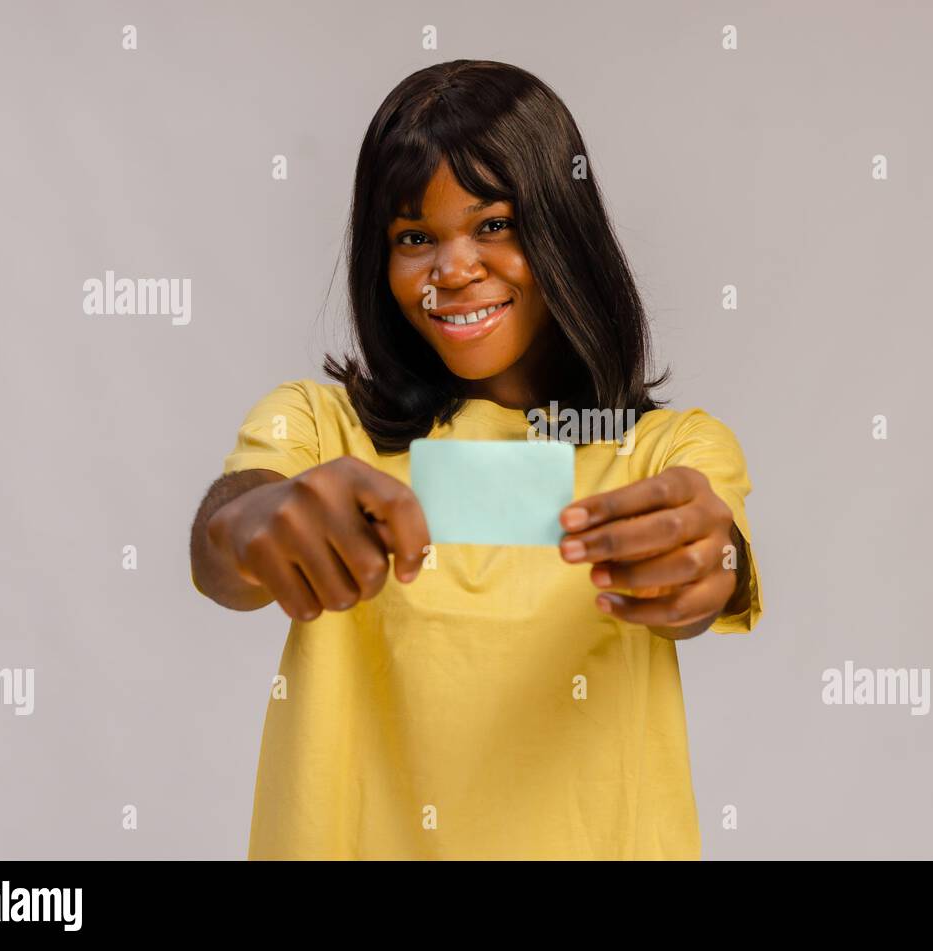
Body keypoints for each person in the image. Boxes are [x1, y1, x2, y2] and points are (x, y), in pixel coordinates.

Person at [188, 59, 763, 860]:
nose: (453, 270)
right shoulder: (322, 431)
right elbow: (226, 539)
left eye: (492, 224)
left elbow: (712, 560)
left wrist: (707, 558)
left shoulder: (661, 453)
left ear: (563, 231)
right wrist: (254, 522)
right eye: (414, 237)